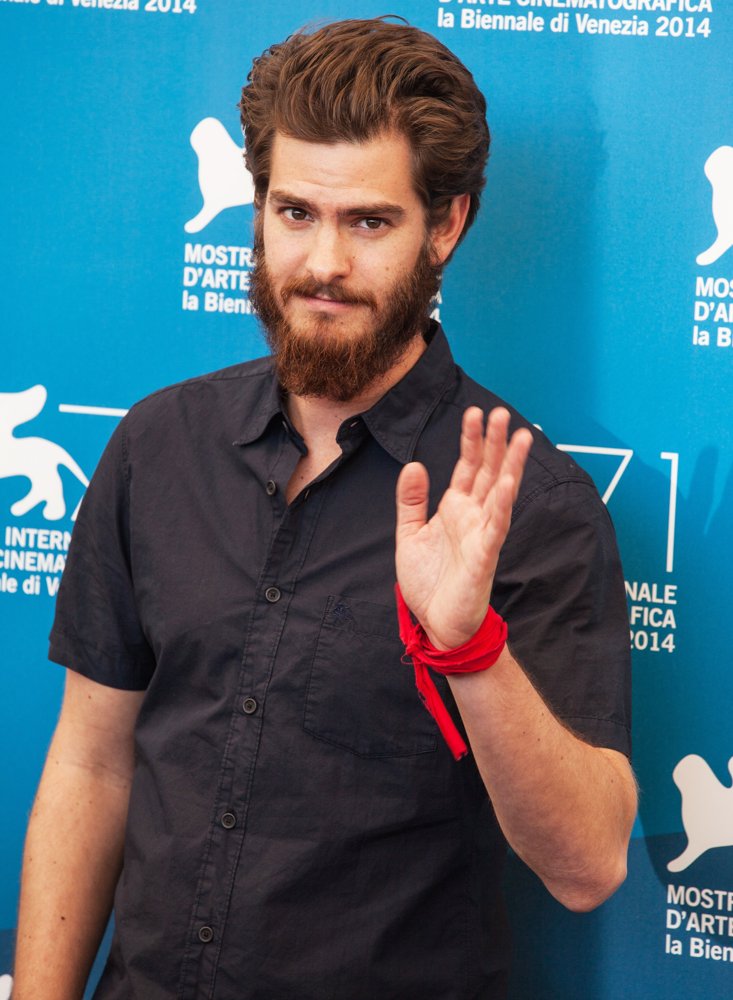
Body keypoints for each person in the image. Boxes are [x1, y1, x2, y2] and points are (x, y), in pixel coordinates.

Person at [13, 17, 637, 1000]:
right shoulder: (158, 444)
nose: (322, 264)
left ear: (445, 226)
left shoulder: (527, 501)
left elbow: (587, 863)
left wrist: (467, 649)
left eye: (369, 222)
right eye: (295, 213)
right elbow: (93, 765)